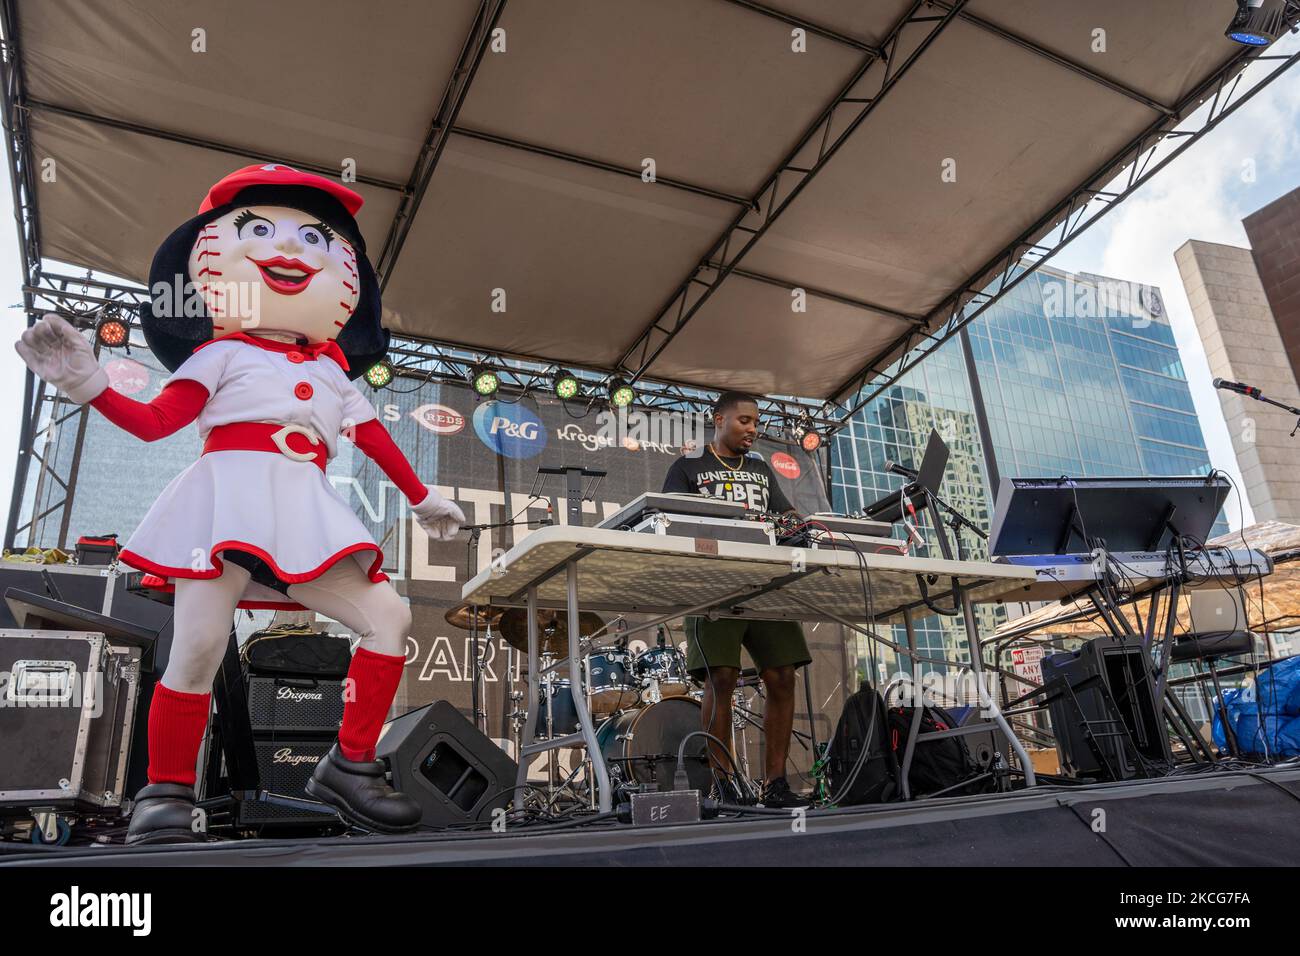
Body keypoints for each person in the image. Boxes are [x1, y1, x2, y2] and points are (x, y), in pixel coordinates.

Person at [15, 164, 466, 843]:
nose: (289, 250)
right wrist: (91, 385)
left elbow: (374, 438)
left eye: (315, 238)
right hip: (224, 501)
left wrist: (425, 497)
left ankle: (350, 764)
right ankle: (165, 792)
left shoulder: (332, 372)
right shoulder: (220, 353)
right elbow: (156, 422)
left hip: (302, 507)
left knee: (389, 616)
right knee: (195, 648)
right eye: (258, 231)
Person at [662, 391, 811, 807]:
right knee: (721, 678)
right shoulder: (689, 466)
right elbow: (669, 520)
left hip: (765, 585)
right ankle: (724, 785)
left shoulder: (762, 469)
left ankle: (775, 785)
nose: (752, 429)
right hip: (712, 587)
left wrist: (802, 529)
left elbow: (787, 520)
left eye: (756, 422)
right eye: (744, 420)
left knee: (782, 676)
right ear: (719, 419)